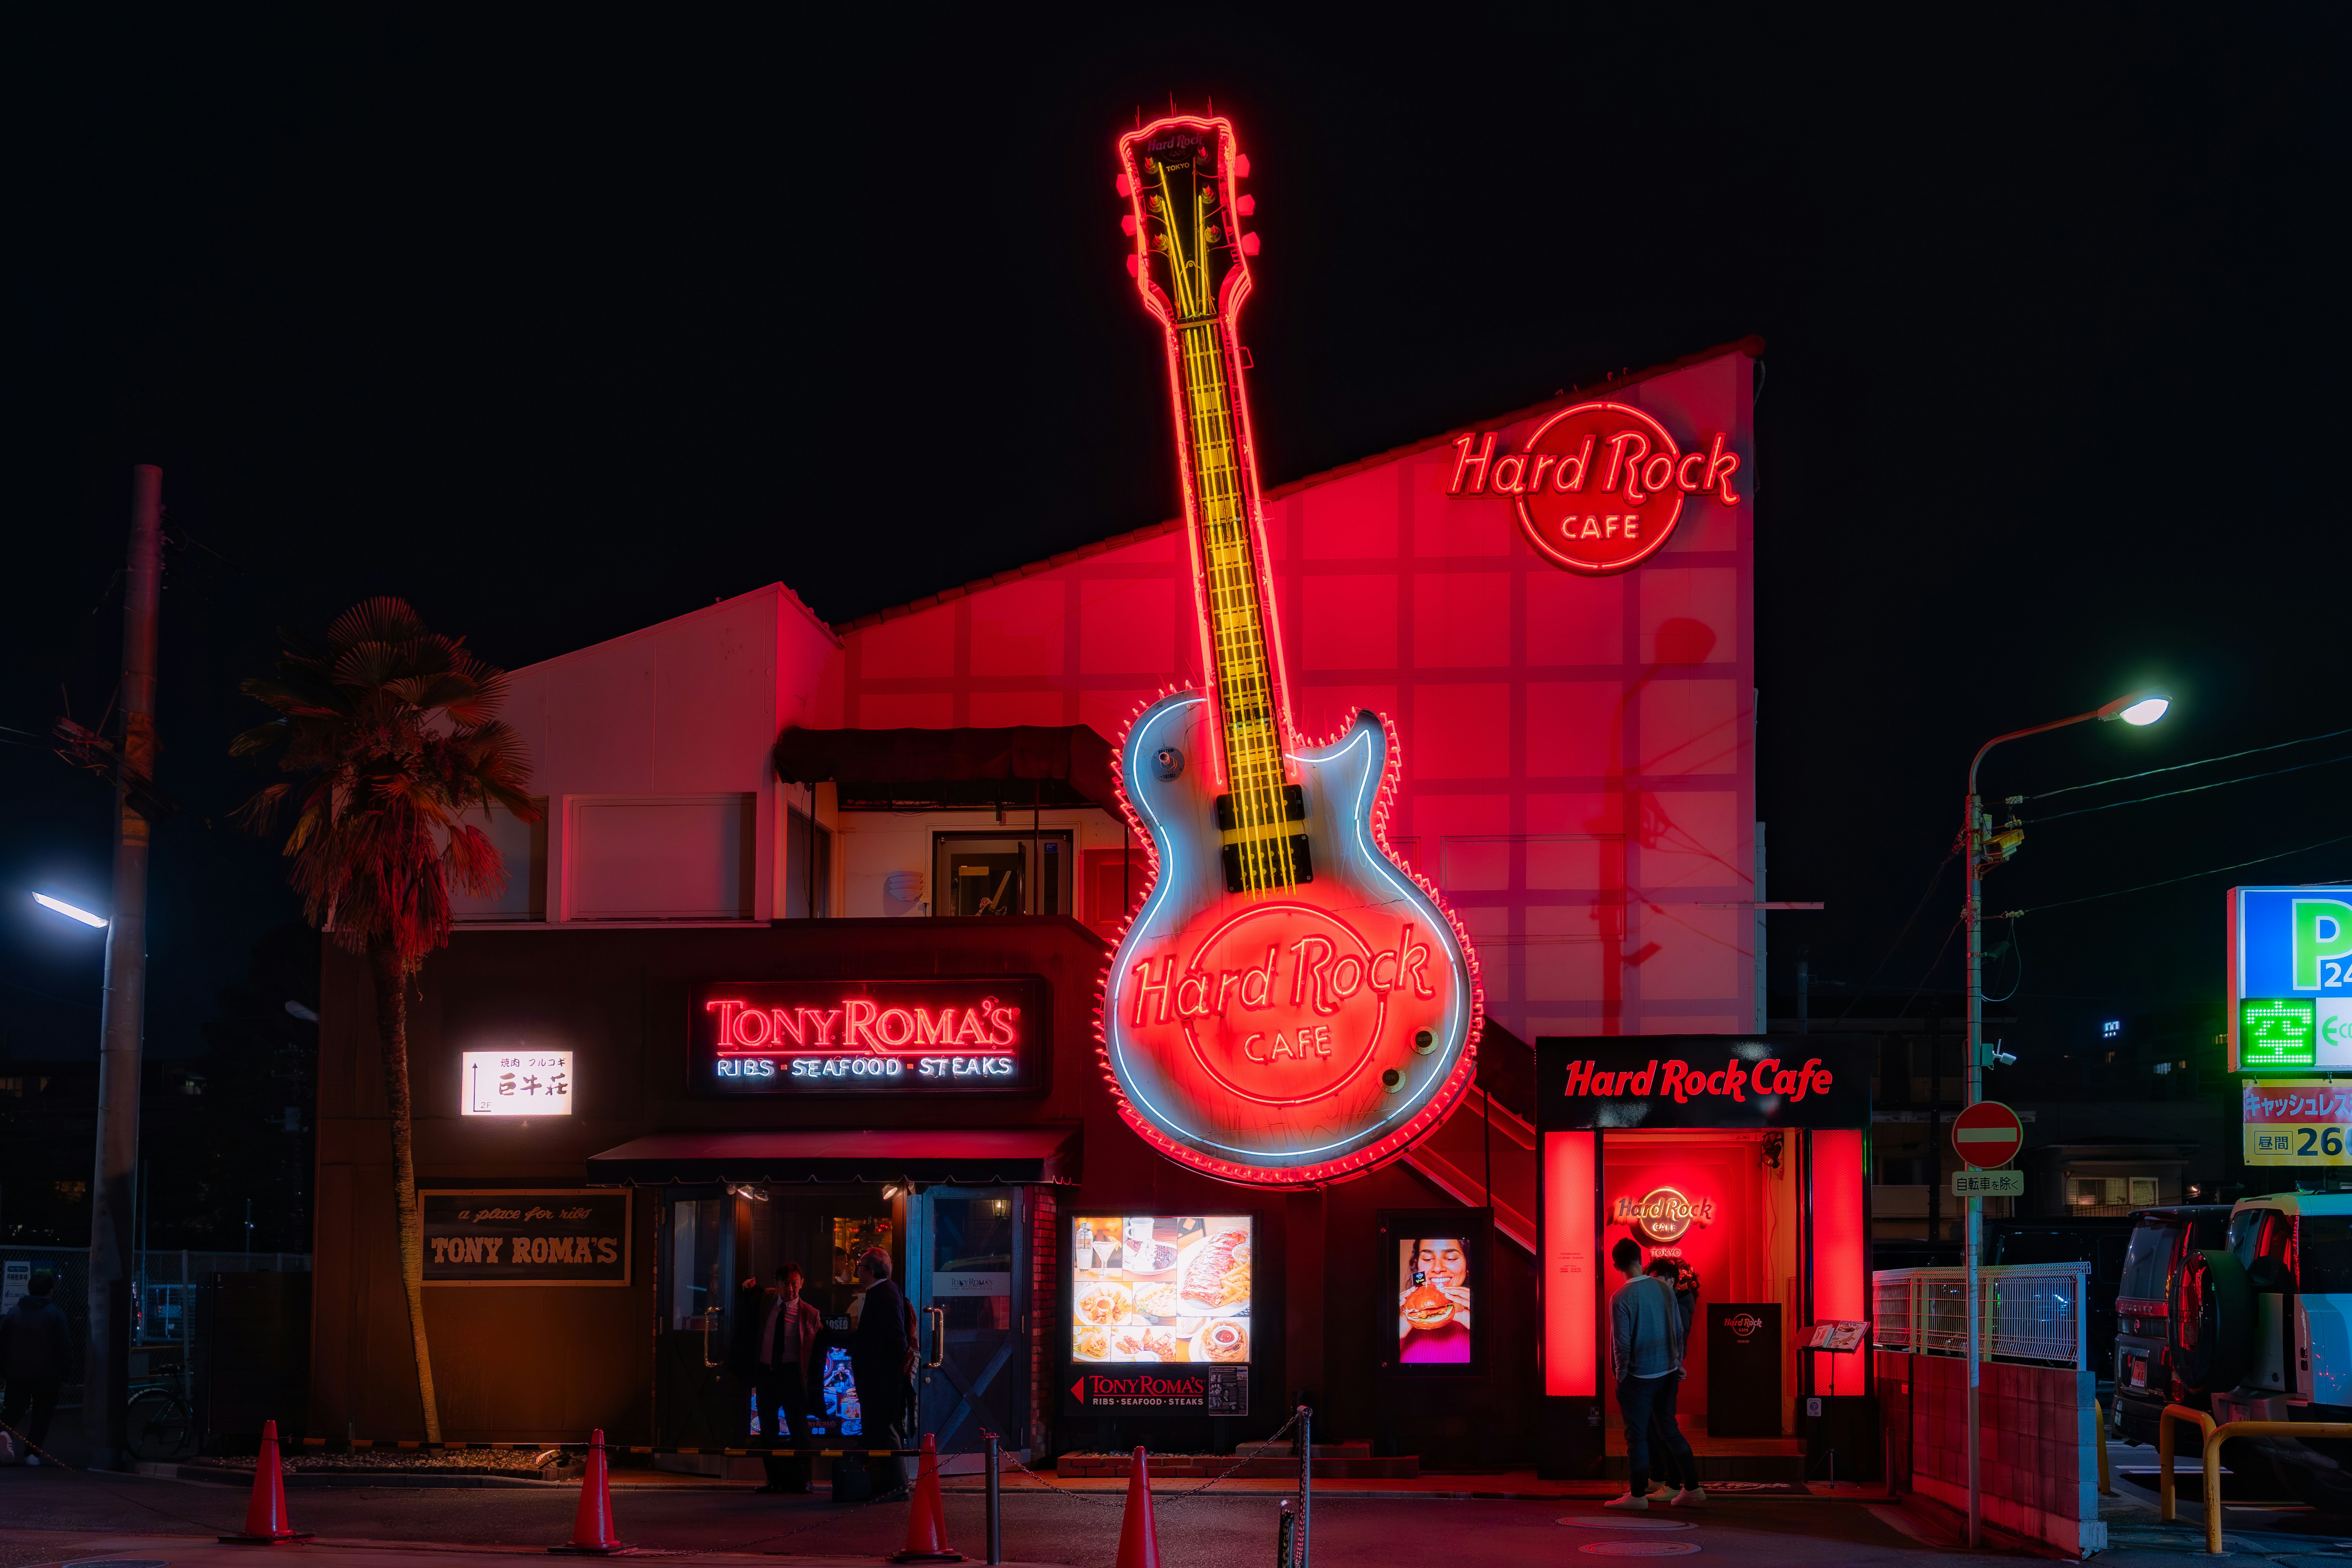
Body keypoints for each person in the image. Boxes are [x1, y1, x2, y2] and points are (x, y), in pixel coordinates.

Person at [1604, 1239, 1702, 1510]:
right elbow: (1677, 1329)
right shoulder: (1664, 1289)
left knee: (1636, 1437)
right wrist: (1677, 1362)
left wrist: (1622, 1374)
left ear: (1616, 1266)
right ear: (1640, 1259)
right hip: (1668, 1373)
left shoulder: (1620, 1297)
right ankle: (1693, 1489)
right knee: (1670, 1430)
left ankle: (1637, 1496)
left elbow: (1621, 1344)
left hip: (1638, 1379)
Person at [733, 1263, 824, 1494]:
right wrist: (746, 1288)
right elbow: (748, 1303)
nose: (791, 1290)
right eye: (786, 1284)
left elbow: (820, 1344)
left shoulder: (810, 1313)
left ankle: (805, 1480)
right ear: (777, 1284)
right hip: (767, 1373)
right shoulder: (767, 1298)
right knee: (768, 1430)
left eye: (795, 1284)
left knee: (799, 1430)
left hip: (792, 1375)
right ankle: (773, 1480)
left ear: (802, 1284)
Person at [838, 1246, 913, 1494]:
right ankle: (885, 1484)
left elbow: (896, 1339)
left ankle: (897, 1486)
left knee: (883, 1429)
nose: (856, 1270)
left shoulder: (881, 1294)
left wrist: (887, 1371)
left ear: (870, 1271)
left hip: (879, 1379)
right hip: (880, 1377)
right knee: (880, 1429)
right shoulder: (888, 1290)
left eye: (859, 1266)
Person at [1641, 1255, 1704, 1503]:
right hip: (1658, 1371)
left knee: (1665, 1430)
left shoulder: (1679, 1304)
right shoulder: (1667, 1301)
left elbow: (1678, 1340)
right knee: (1653, 1428)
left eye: (1656, 1279)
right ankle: (1659, 1477)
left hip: (1664, 1372)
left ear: (1671, 1281)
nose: (1652, 1284)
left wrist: (1676, 1365)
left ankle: (1676, 1484)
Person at [0, 1270, 73, 1465]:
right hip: (47, 1374)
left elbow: (3, 1343)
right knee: (43, 1414)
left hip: (16, 1373)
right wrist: (66, 1375)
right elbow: (64, 1346)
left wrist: (5, 1369)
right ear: (51, 1291)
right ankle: (32, 1454)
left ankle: (2, 1437)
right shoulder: (54, 1314)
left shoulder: (14, 1313)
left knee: (14, 1410)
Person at [1397, 1237, 1473, 1364]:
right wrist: (1392, 1333)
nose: (1438, 1268)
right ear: (1418, 1265)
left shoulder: (1485, 1316)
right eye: (1428, 1259)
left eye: (1450, 1258)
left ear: (1468, 1265)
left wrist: (1482, 1329)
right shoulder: (1402, 1319)